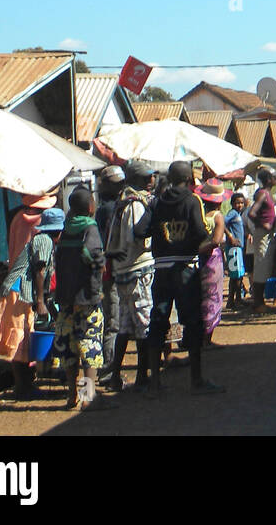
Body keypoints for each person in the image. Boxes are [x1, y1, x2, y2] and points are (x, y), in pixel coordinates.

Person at [137, 160, 224, 397]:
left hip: (161, 270)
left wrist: (162, 235)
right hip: (186, 267)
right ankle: (196, 381)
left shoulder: (157, 201)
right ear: (189, 180)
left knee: (158, 321)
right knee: (192, 321)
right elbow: (199, 233)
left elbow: (140, 231)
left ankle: (154, 383)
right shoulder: (191, 200)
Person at [0, 205, 63, 399]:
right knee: (20, 337)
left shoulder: (42, 240)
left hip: (20, 291)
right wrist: (40, 301)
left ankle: (24, 384)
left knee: (24, 337)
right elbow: (39, 271)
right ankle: (22, 386)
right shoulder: (44, 241)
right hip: (19, 291)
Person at [53, 186, 108, 409]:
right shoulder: (90, 229)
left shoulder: (65, 229)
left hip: (65, 298)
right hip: (86, 299)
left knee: (69, 344)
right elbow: (95, 259)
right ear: (91, 207)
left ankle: (70, 396)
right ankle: (88, 397)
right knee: (89, 344)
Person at [103, 159, 156, 392]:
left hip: (123, 270)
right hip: (138, 268)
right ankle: (144, 376)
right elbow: (139, 234)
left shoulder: (121, 203)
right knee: (144, 324)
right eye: (147, 178)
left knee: (125, 326)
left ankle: (116, 375)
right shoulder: (136, 204)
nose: (151, 181)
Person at [94, 164, 126, 379]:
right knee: (113, 320)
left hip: (112, 269)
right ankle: (109, 367)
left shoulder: (108, 206)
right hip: (112, 270)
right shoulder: (109, 208)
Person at [197, 179, 230, 343]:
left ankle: (200, 337)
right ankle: (207, 339)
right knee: (213, 297)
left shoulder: (201, 216)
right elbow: (216, 241)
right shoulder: (218, 217)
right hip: (213, 259)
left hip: (200, 260)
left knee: (201, 297)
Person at [248, 167, 276, 312]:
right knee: (261, 267)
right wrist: (263, 224)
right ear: (268, 179)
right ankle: (258, 302)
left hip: (267, 234)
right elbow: (252, 212)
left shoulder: (268, 194)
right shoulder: (262, 194)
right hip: (263, 234)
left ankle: (259, 301)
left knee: (264, 266)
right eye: (274, 177)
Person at [225, 192, 248, 309]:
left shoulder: (238, 214)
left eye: (241, 203)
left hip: (238, 248)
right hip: (233, 248)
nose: (240, 205)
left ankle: (235, 299)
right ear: (232, 204)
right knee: (236, 276)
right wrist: (230, 237)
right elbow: (222, 223)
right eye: (237, 203)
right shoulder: (232, 214)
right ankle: (234, 300)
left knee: (237, 275)